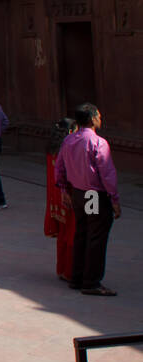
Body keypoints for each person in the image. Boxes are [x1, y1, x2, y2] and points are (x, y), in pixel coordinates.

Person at [55, 103, 121, 296]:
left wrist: (63, 190)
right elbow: (107, 175)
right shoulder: (98, 143)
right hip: (92, 194)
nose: (100, 118)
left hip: (78, 193)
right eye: (98, 115)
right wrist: (114, 199)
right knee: (95, 236)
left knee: (82, 233)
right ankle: (91, 281)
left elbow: (59, 167)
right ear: (92, 119)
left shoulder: (68, 140)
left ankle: (77, 277)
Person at [45, 117, 77, 280]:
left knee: (64, 235)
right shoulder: (69, 150)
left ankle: (63, 269)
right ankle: (71, 271)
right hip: (71, 197)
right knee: (73, 233)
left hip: (56, 198)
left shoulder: (52, 150)